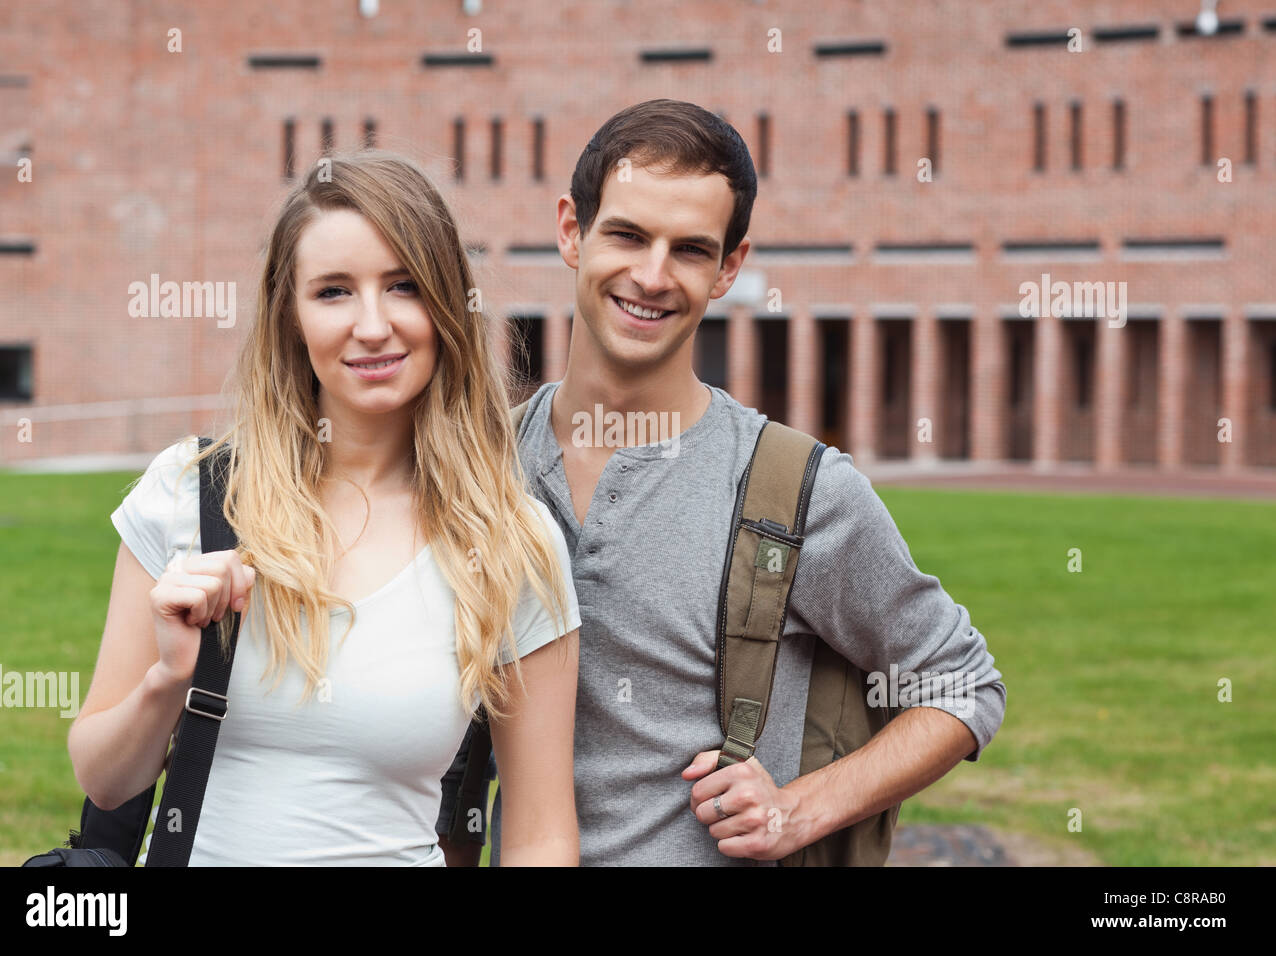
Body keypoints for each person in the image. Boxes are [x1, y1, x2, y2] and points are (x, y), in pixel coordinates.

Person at [437, 99, 1006, 866]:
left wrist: (799, 809)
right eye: (628, 235)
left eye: (689, 250)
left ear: (728, 269)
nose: (651, 275)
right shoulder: (476, 468)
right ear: (572, 231)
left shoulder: (797, 491)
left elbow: (962, 684)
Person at [68, 150, 581, 866]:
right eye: (334, 292)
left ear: (448, 304)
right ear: (291, 315)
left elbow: (541, 835)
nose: (372, 326)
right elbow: (103, 780)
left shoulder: (510, 540)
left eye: (403, 286)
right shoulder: (194, 493)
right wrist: (168, 679)